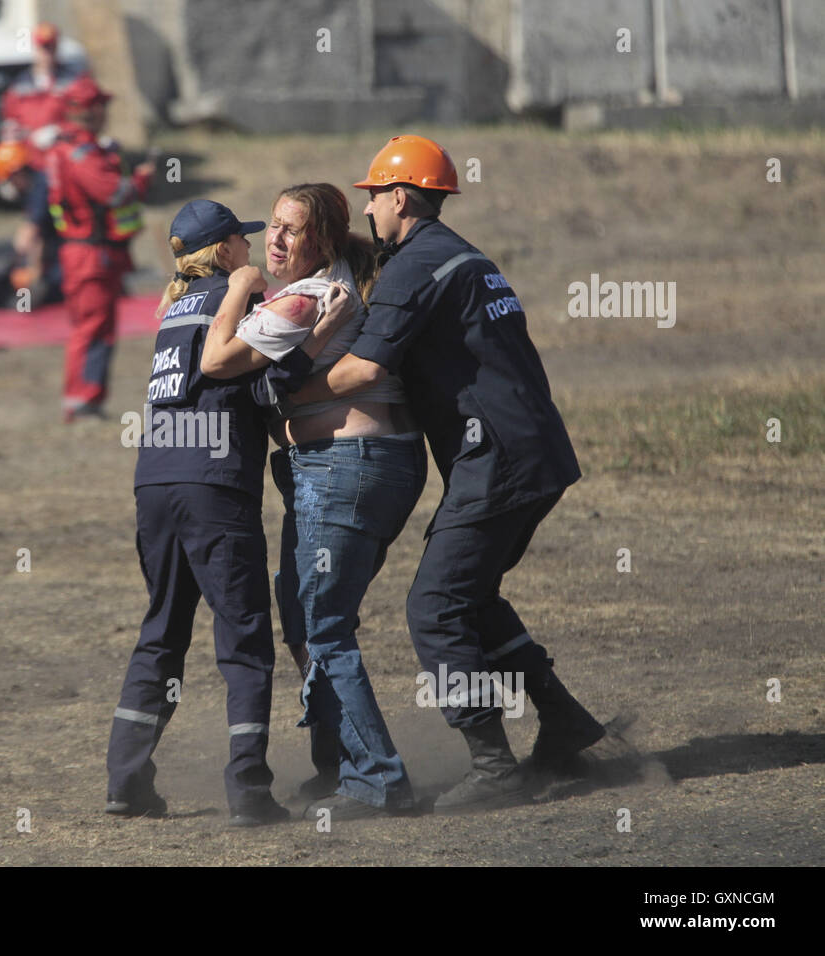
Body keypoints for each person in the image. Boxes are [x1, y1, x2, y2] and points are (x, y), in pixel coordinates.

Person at [292, 134, 616, 813]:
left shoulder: (416, 266)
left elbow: (370, 369)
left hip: (498, 457)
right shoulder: (464, 255)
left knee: (435, 609)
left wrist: (289, 391)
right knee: (470, 595)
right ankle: (563, 724)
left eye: (374, 196)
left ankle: (493, 766)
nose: (369, 209)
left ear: (400, 197)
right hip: (534, 450)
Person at [107, 199, 355, 826]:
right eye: (242, 241)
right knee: (244, 640)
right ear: (224, 251)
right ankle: (248, 788)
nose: (254, 247)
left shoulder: (171, 313)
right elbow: (270, 388)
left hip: (154, 482)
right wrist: (323, 332)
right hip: (214, 488)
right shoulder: (236, 301)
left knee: (161, 628)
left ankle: (125, 778)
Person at [200, 184, 426, 820]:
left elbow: (217, 361)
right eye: (271, 226)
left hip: (347, 467)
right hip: (345, 468)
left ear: (319, 243)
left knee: (322, 621)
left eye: (290, 231)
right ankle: (340, 763)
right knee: (302, 617)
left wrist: (239, 282)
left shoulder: (308, 298)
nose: (274, 240)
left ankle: (379, 781)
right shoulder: (321, 287)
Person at [45, 76, 154, 421]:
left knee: (96, 327)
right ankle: (82, 401)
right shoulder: (81, 153)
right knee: (92, 327)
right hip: (89, 254)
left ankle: (87, 399)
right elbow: (113, 193)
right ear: (87, 110)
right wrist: (140, 180)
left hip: (90, 252)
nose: (106, 112)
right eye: (101, 105)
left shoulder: (78, 147)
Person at [0, 22, 86, 169]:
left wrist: (59, 131)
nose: (47, 53)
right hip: (31, 162)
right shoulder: (20, 85)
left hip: (65, 161)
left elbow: (84, 119)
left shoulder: (72, 82)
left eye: (51, 48)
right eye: (43, 48)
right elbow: (10, 120)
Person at [0, 139, 61, 303]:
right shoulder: (34, 188)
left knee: (25, 299)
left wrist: (22, 270)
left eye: (8, 179)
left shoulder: (40, 190)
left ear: (18, 172)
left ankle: (25, 304)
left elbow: (30, 235)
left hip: (66, 259)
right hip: (54, 253)